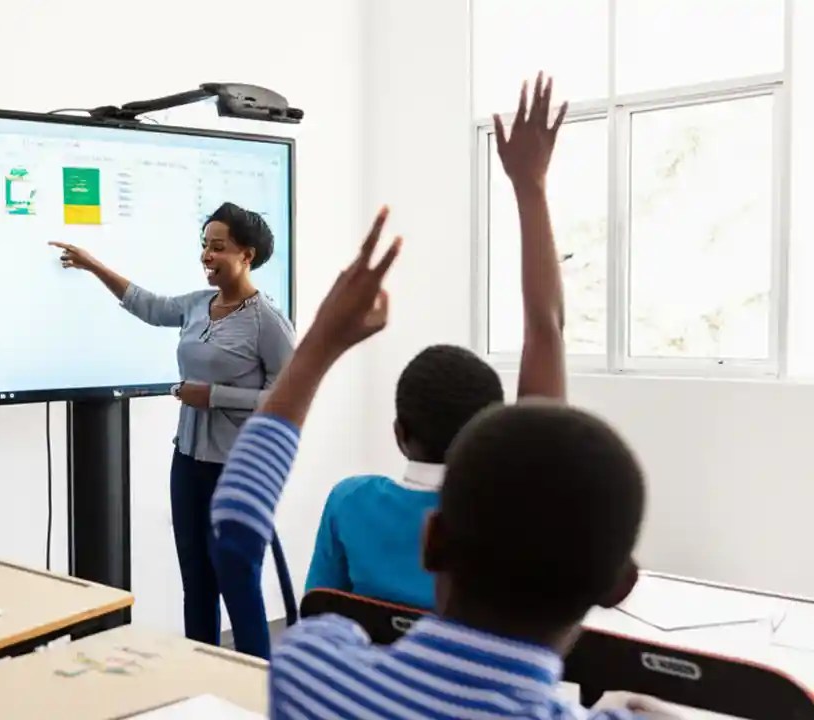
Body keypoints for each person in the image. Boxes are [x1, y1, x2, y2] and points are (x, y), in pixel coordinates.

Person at [212, 76, 660, 719]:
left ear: (435, 540)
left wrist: (318, 345)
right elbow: (547, 331)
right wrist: (531, 189)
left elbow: (235, 531)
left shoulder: (313, 669)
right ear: (618, 585)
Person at [303, 70, 571, 609]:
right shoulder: (518, 513)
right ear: (494, 430)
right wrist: (530, 188)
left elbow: (318, 616)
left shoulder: (349, 504)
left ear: (401, 434)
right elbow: (547, 327)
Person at [52, 202, 295, 658]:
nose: (206, 255)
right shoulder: (198, 305)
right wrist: (91, 265)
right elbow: (147, 305)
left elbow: (288, 401)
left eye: (217, 246)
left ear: (248, 253)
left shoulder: (268, 322)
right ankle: (198, 686)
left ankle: (259, 692)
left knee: (238, 588)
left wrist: (215, 396)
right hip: (187, 465)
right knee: (196, 586)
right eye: (204, 245)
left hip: (238, 473)